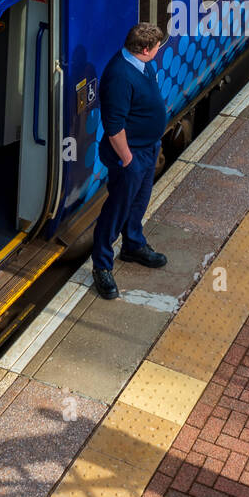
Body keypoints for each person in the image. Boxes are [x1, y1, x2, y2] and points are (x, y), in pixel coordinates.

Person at [91, 23, 168, 300]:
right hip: (130, 155)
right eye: (157, 46)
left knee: (139, 202)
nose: (159, 50)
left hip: (147, 147)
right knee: (116, 210)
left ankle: (133, 245)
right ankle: (101, 265)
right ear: (145, 50)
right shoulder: (120, 76)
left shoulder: (142, 64)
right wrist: (127, 159)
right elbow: (113, 126)